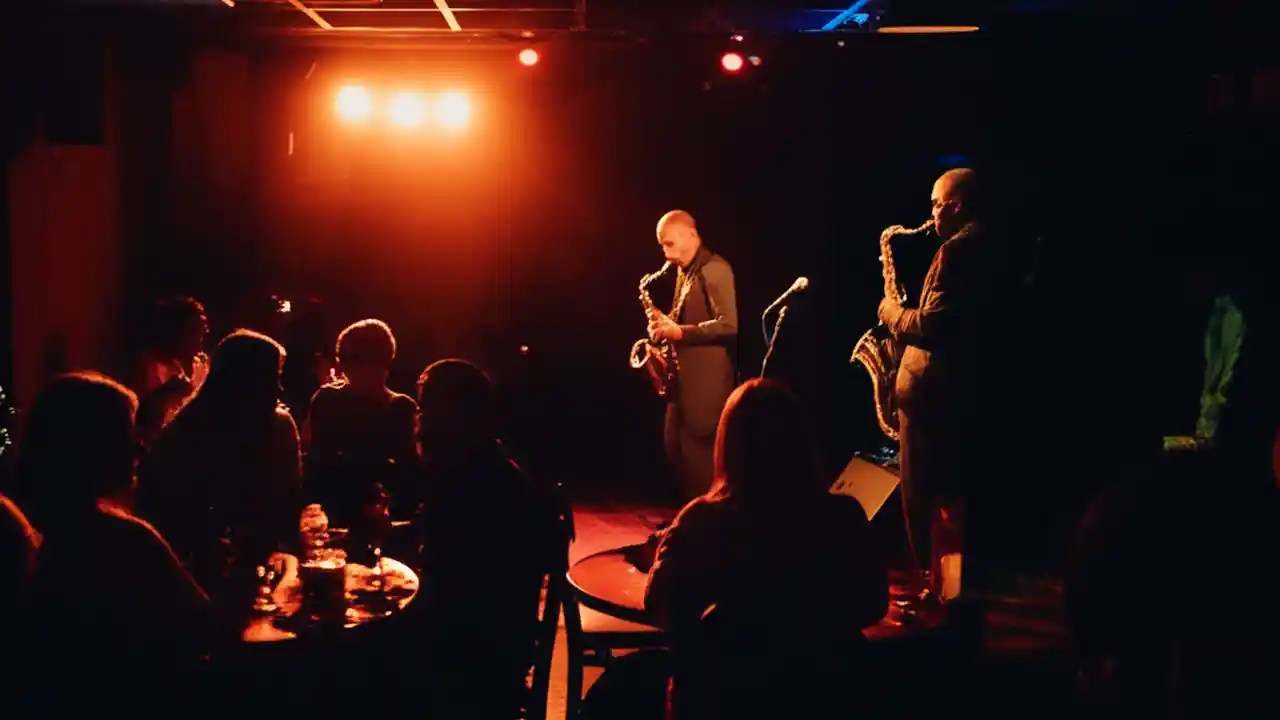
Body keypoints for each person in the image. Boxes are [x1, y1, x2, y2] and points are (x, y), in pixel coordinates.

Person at [643, 379, 887, 718]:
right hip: (826, 696)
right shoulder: (842, 517)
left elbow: (657, 602)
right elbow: (872, 605)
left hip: (725, 700)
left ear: (728, 445)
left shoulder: (703, 520)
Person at [15, 372, 209, 707]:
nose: (140, 447)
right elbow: (203, 624)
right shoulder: (126, 541)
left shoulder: (37, 535)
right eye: (127, 433)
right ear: (95, 447)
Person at [876, 168, 1017, 592]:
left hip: (931, 396)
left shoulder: (957, 251)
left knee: (925, 501)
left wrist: (890, 312)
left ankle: (935, 587)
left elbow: (934, 324)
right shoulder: (993, 246)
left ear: (955, 207)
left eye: (936, 205)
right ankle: (950, 590)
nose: (931, 215)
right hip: (958, 392)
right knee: (952, 504)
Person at [416, 359, 568, 720]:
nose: (420, 419)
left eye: (427, 407)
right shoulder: (493, 465)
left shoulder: (475, 481)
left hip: (475, 660)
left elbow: (451, 580)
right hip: (500, 648)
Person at [139, 330, 302, 595]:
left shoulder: (279, 427)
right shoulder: (187, 435)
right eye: (273, 377)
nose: (279, 388)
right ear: (246, 380)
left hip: (263, 571)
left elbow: (288, 504)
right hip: (197, 581)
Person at [646, 210, 738, 501]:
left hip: (706, 387)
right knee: (675, 448)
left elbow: (729, 326)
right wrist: (663, 328)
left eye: (669, 244)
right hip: (683, 384)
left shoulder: (715, 269)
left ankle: (710, 520)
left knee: (701, 466)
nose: (665, 253)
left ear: (691, 234)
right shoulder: (684, 271)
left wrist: (679, 332)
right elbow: (684, 319)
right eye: (662, 245)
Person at [304, 319, 419, 524]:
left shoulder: (401, 409)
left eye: (357, 359)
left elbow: (410, 479)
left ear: (384, 361)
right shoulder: (327, 401)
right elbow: (315, 464)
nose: (347, 367)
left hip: (386, 521)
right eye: (346, 359)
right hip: (334, 519)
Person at [131, 296, 210, 446]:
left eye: (202, 331)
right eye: (192, 331)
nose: (200, 338)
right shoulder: (148, 366)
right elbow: (136, 417)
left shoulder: (200, 367)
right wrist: (165, 392)